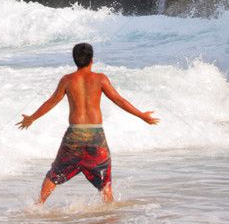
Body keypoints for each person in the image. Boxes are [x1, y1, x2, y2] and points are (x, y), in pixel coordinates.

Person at [17, 42, 158, 204]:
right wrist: (141, 115)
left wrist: (32, 118)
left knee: (55, 173)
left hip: (74, 134)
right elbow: (119, 100)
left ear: (74, 60)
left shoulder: (67, 80)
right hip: (95, 135)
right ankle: (108, 213)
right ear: (92, 59)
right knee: (104, 180)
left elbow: (51, 101)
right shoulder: (100, 79)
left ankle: (38, 205)